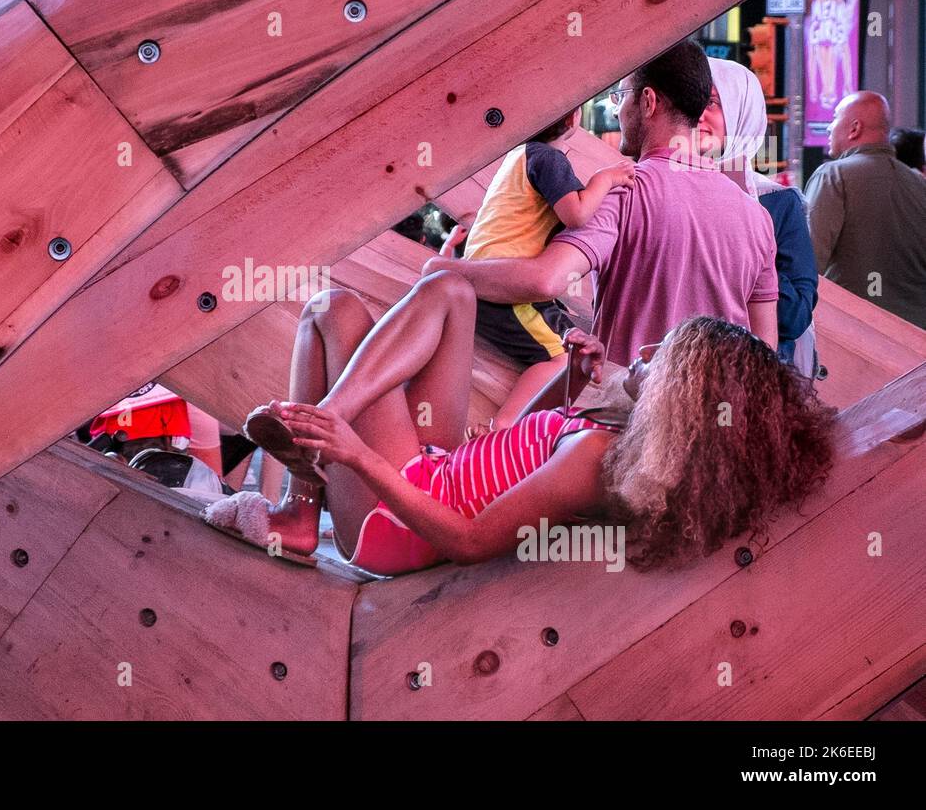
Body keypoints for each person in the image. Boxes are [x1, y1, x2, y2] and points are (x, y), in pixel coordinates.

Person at [205, 273, 834, 574]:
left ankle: (304, 487)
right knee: (451, 290)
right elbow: (517, 455)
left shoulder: (599, 460)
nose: (643, 354)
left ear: (685, 398)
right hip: (435, 472)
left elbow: (473, 540)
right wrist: (569, 383)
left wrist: (356, 455)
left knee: (334, 310)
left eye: (662, 357)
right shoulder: (615, 443)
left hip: (400, 523)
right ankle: (322, 429)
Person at [422, 40, 780, 363]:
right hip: (719, 420)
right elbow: (765, 348)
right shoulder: (755, 215)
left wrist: (445, 271)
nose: (616, 112)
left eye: (620, 96)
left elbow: (546, 280)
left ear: (648, 102)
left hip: (631, 419)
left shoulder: (624, 189)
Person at [454, 110, 634, 423]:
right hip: (508, 288)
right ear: (575, 117)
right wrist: (604, 179)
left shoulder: (519, 156)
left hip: (487, 275)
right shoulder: (549, 159)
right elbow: (575, 214)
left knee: (570, 338)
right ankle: (503, 430)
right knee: (564, 358)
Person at [698, 57, 819, 374]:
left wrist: (743, 222)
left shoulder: (777, 203)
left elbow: (793, 317)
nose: (697, 114)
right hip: (682, 381)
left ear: (742, 111)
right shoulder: (668, 192)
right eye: (690, 100)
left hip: (757, 386)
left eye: (711, 102)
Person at [805, 92, 926, 330]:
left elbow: (807, 266)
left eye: (835, 118)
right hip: (918, 342)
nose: (829, 128)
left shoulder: (834, 176)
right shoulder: (919, 184)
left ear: (854, 128)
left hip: (856, 334)